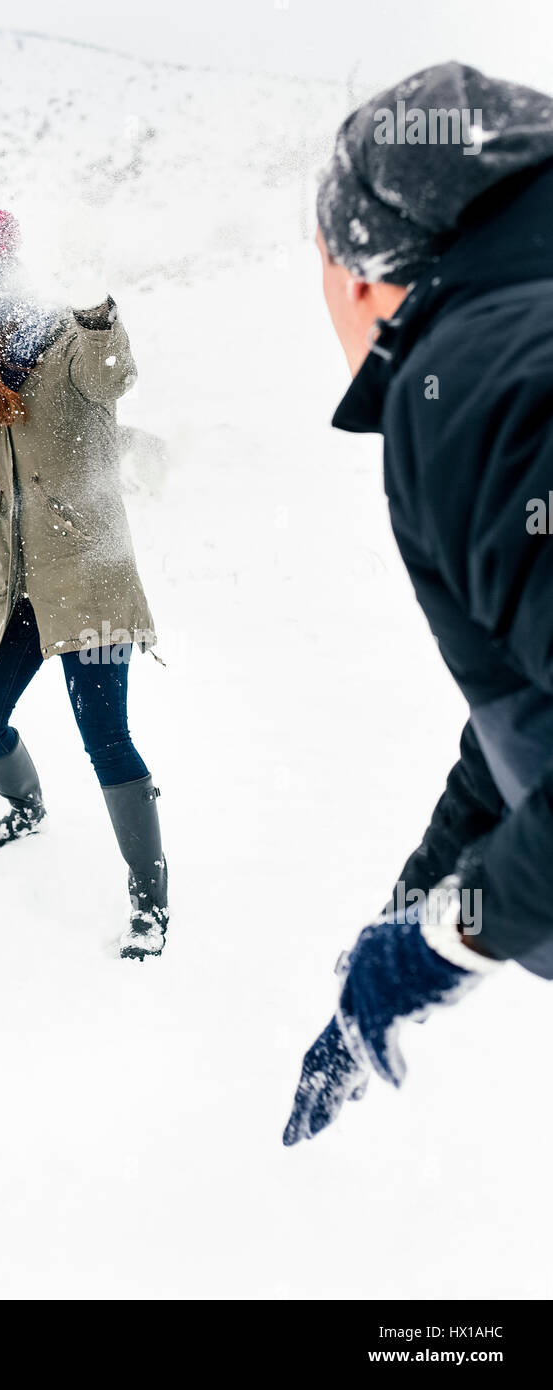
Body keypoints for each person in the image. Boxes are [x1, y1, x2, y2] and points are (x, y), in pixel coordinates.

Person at [284, 63, 553, 1143]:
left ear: (359, 272)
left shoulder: (479, 376)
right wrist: (404, 924)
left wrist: (445, 941)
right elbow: (522, 713)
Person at [0, 208, 168, 961]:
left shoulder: (66, 354)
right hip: (17, 591)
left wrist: (97, 311)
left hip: (90, 585)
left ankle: (149, 905)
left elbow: (115, 372)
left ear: (2, 310)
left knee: (107, 741)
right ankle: (26, 811)